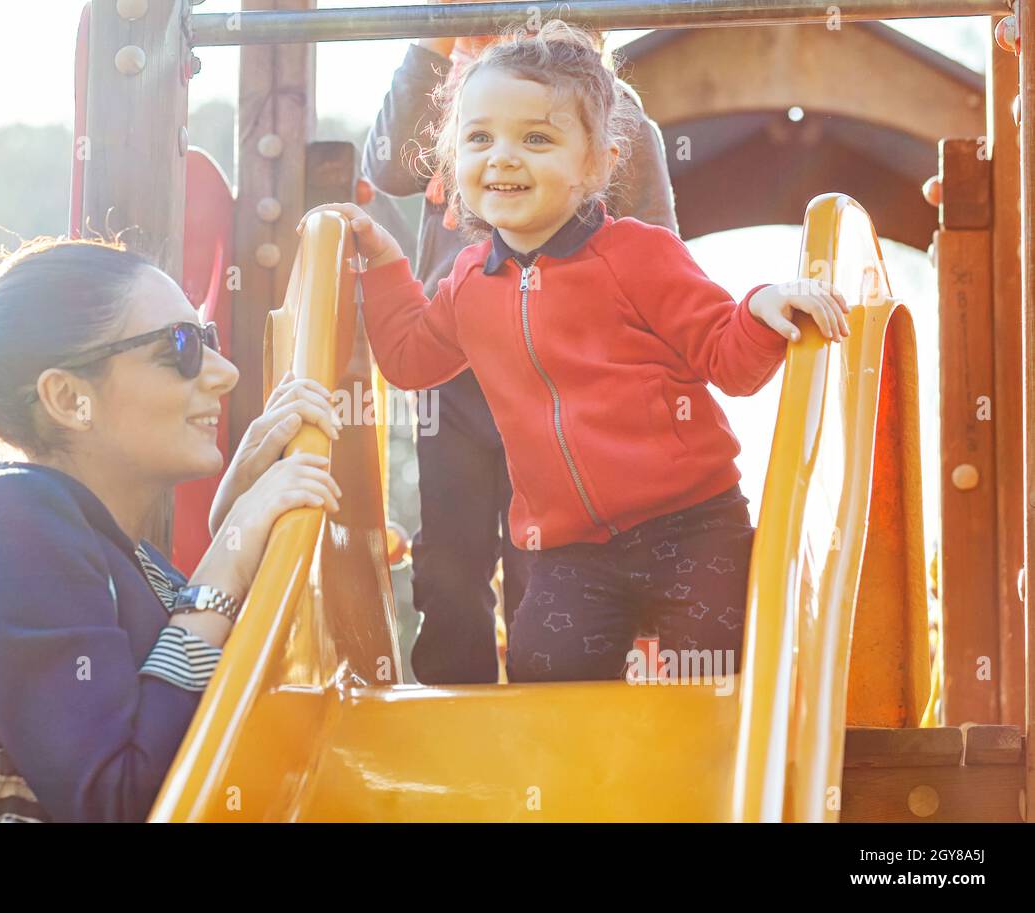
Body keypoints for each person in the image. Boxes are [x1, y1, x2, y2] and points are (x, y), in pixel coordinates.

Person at [305, 22, 849, 683]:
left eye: (536, 139)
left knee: (714, 674)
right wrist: (389, 265)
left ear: (598, 163)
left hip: (691, 526)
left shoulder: (638, 254)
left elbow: (724, 356)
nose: (503, 157)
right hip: (574, 550)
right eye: (479, 140)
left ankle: (705, 777)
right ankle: (511, 763)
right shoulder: (469, 282)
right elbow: (410, 358)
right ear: (453, 161)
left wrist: (761, 309)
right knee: (544, 668)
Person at [0, 236, 343, 820]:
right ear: (69, 397)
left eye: (208, 339)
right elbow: (121, 799)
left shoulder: (99, 551)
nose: (224, 373)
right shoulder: (6, 526)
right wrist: (227, 557)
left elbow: (173, 721)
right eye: (179, 347)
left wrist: (233, 524)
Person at [363, 13, 677, 684]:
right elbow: (388, 165)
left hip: (566, 378)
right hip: (458, 369)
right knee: (449, 557)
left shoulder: (612, 116)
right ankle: (455, 706)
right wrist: (431, 39)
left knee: (550, 557)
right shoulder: (461, 99)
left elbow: (658, 256)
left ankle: (553, 705)